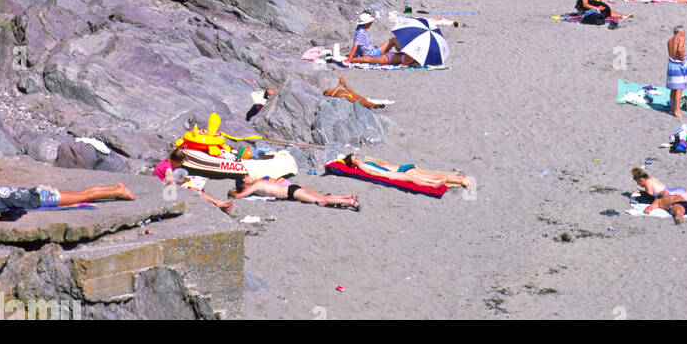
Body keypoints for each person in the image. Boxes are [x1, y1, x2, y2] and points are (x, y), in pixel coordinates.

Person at [0, 179, 135, 217]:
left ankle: (118, 192)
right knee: (82, 194)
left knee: (83, 196)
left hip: (44, 198)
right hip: (41, 190)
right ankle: (115, 188)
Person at [154, 149, 235, 214]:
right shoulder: (168, 168)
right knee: (193, 188)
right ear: (176, 161)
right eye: (181, 163)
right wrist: (182, 182)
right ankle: (216, 202)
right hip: (163, 189)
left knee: (193, 180)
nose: (181, 165)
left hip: (160, 184)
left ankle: (212, 201)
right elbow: (170, 182)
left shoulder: (166, 162)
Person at [341, 154, 471, 189]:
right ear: (353, 164)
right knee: (433, 175)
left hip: (403, 169)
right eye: (355, 159)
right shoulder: (365, 165)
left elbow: (372, 172)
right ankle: (460, 179)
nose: (357, 158)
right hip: (403, 168)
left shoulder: (365, 165)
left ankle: (461, 180)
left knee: (432, 177)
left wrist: (385, 174)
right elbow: (372, 172)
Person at [229, 175, 359, 210]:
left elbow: (239, 196)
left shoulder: (257, 184)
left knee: (321, 201)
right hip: (291, 189)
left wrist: (232, 192)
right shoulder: (257, 184)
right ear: (245, 183)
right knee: (321, 196)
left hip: (291, 192)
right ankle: (347, 197)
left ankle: (349, 201)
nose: (248, 176)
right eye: (246, 176)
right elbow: (243, 193)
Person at [345, 13, 416, 66]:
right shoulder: (360, 32)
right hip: (371, 53)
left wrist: (353, 56)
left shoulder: (360, 29)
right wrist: (351, 58)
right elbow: (355, 45)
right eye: (370, 23)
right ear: (365, 24)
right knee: (393, 40)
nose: (371, 24)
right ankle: (405, 51)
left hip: (370, 52)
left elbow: (357, 46)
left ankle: (405, 51)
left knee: (393, 41)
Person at [666, 25, 687, 118]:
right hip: (678, 65)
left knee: (673, 89)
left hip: (671, 65)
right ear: (681, 32)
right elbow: (679, 49)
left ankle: (673, 109)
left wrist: (684, 54)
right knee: (679, 89)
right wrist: (683, 60)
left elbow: (672, 53)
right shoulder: (681, 38)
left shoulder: (669, 41)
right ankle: (677, 111)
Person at [323, 76, 388, 109]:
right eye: (327, 89)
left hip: (350, 94)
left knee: (361, 98)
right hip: (343, 96)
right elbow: (332, 95)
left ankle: (373, 105)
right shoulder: (328, 94)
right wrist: (340, 85)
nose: (329, 88)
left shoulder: (336, 90)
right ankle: (370, 105)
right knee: (355, 100)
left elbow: (353, 92)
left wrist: (345, 85)